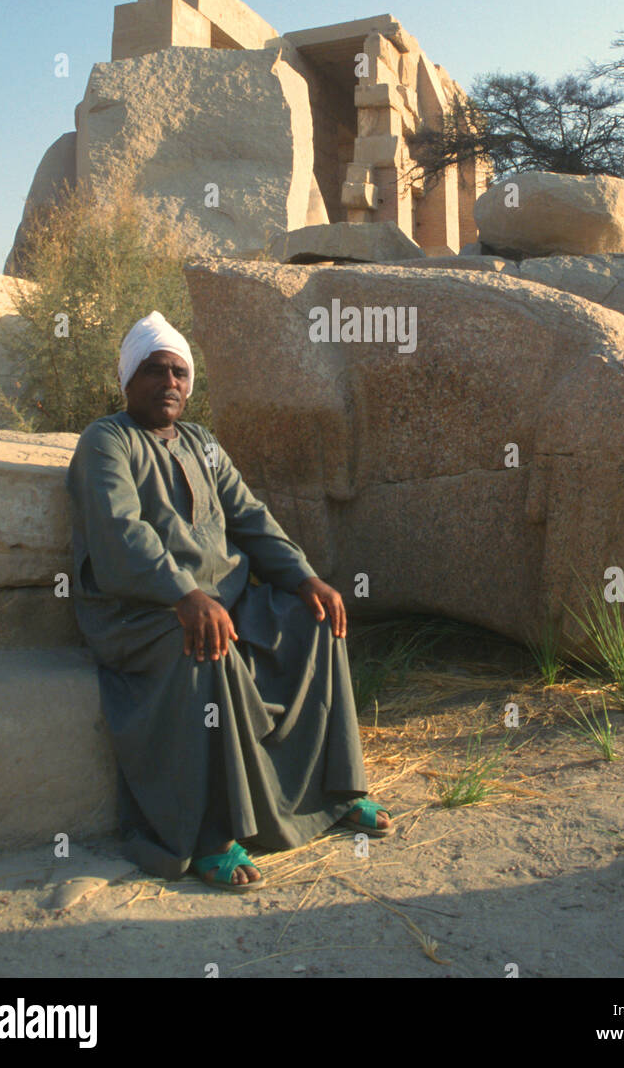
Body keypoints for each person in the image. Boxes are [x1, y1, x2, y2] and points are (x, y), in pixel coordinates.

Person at [65, 310, 391, 890]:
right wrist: (183, 594)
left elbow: (250, 518)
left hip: (224, 599)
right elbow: (121, 533)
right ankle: (212, 831)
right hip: (144, 612)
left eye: (180, 373)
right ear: (129, 379)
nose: (170, 383)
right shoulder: (106, 440)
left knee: (317, 620)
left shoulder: (202, 444)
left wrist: (304, 577)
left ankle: (337, 792)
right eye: (156, 370)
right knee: (203, 646)